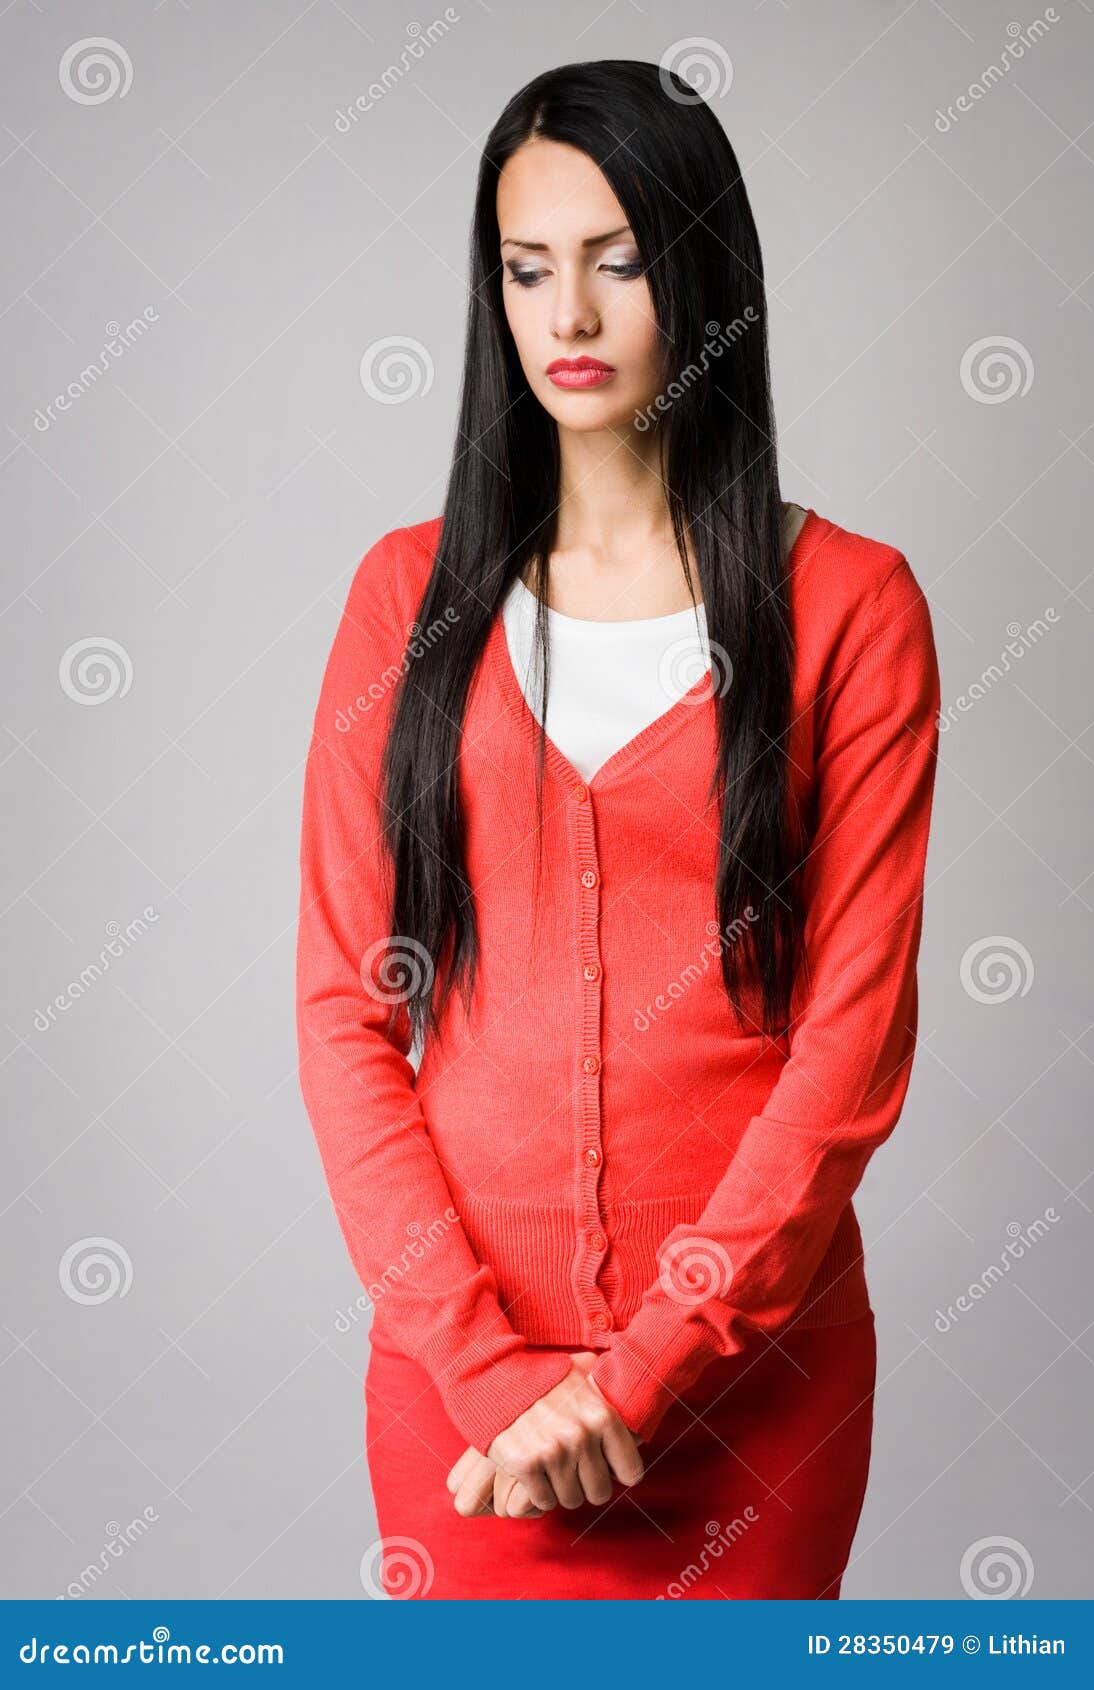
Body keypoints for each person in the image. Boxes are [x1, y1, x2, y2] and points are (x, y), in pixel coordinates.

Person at [295, 59, 940, 1600]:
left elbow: (847, 1047)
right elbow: (342, 1015)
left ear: (703, 274)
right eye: (526, 269)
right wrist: (493, 1376)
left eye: (620, 261)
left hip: (751, 1402)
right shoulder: (402, 600)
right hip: (467, 1407)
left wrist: (636, 1377)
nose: (567, 315)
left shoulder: (851, 608)